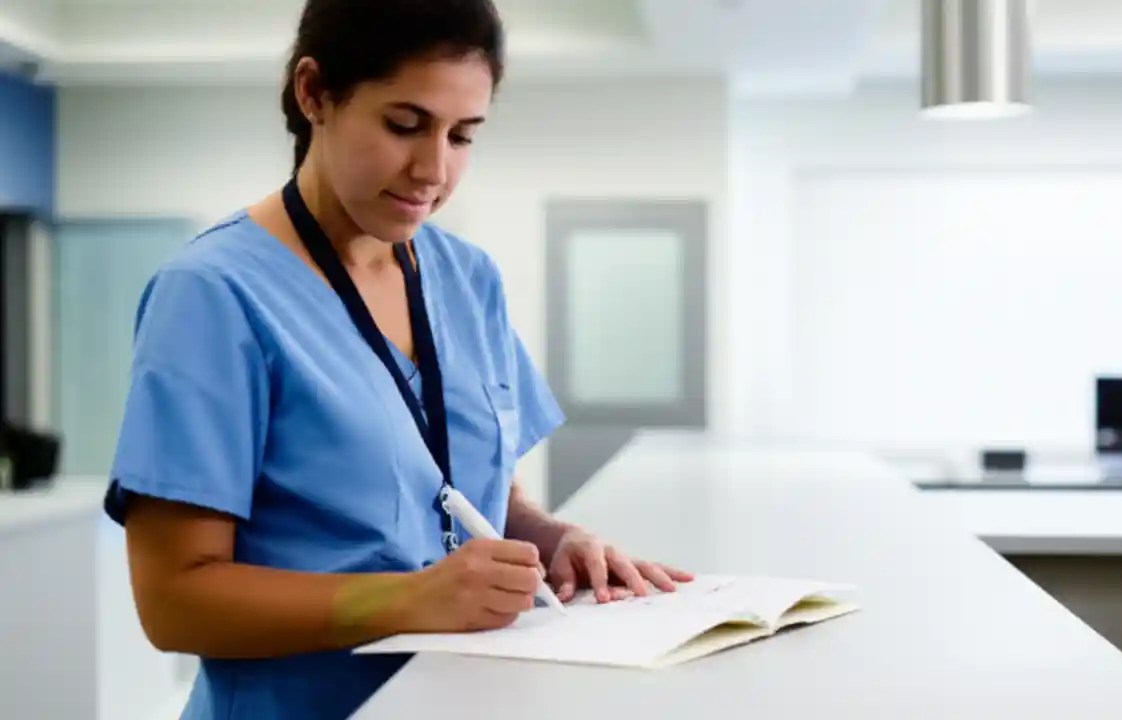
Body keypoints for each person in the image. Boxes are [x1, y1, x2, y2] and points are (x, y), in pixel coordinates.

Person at [103, 1, 691, 717]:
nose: (433, 170)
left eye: (464, 136)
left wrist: (555, 540)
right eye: (404, 125)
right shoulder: (213, 296)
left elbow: (473, 495)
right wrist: (409, 598)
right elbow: (174, 601)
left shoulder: (468, 279)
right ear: (313, 92)